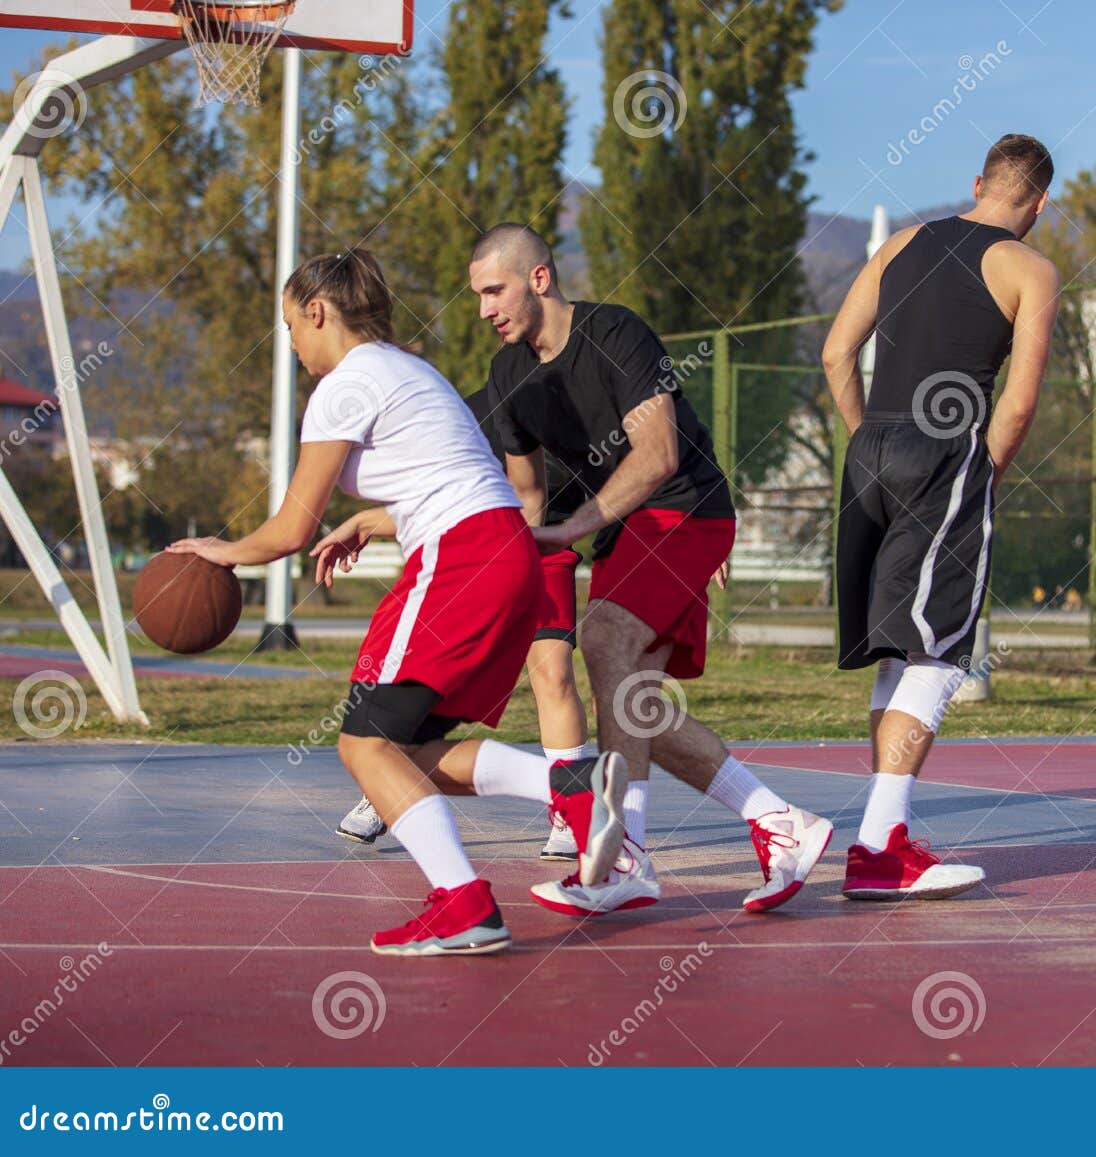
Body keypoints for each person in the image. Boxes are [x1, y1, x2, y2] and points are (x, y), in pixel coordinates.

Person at [168, 248, 628, 955]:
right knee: (407, 751)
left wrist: (220, 551)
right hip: (501, 551)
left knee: (363, 743)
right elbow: (444, 475)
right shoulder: (408, 367)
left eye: (291, 327)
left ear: (317, 312)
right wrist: (372, 520)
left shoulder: (346, 384)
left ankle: (466, 902)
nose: (291, 344)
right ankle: (572, 783)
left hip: (462, 558)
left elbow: (292, 526)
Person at [470, 223, 832, 916]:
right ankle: (772, 822)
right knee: (631, 701)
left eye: (495, 289)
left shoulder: (616, 333)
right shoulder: (508, 375)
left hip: (685, 507)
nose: (485, 308)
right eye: (478, 295)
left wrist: (576, 528)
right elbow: (526, 495)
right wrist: (510, 546)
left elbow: (660, 453)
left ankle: (628, 854)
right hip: (626, 529)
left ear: (539, 279)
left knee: (604, 642)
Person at [821, 134, 1060, 900]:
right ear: (1040, 203)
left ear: (979, 181)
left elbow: (834, 354)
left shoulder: (901, 243)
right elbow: (1017, 403)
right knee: (940, 650)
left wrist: (868, 439)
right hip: (944, 453)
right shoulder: (1032, 269)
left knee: (898, 646)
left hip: (873, 446)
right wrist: (981, 472)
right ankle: (881, 848)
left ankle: (879, 839)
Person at [335, 388, 589, 863]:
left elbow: (643, 464)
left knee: (552, 673)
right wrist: (371, 520)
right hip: (467, 557)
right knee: (428, 682)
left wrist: (691, 531)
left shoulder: (585, 404)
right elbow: (435, 497)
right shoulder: (468, 410)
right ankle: (389, 774)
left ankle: (571, 806)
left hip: (544, 548)